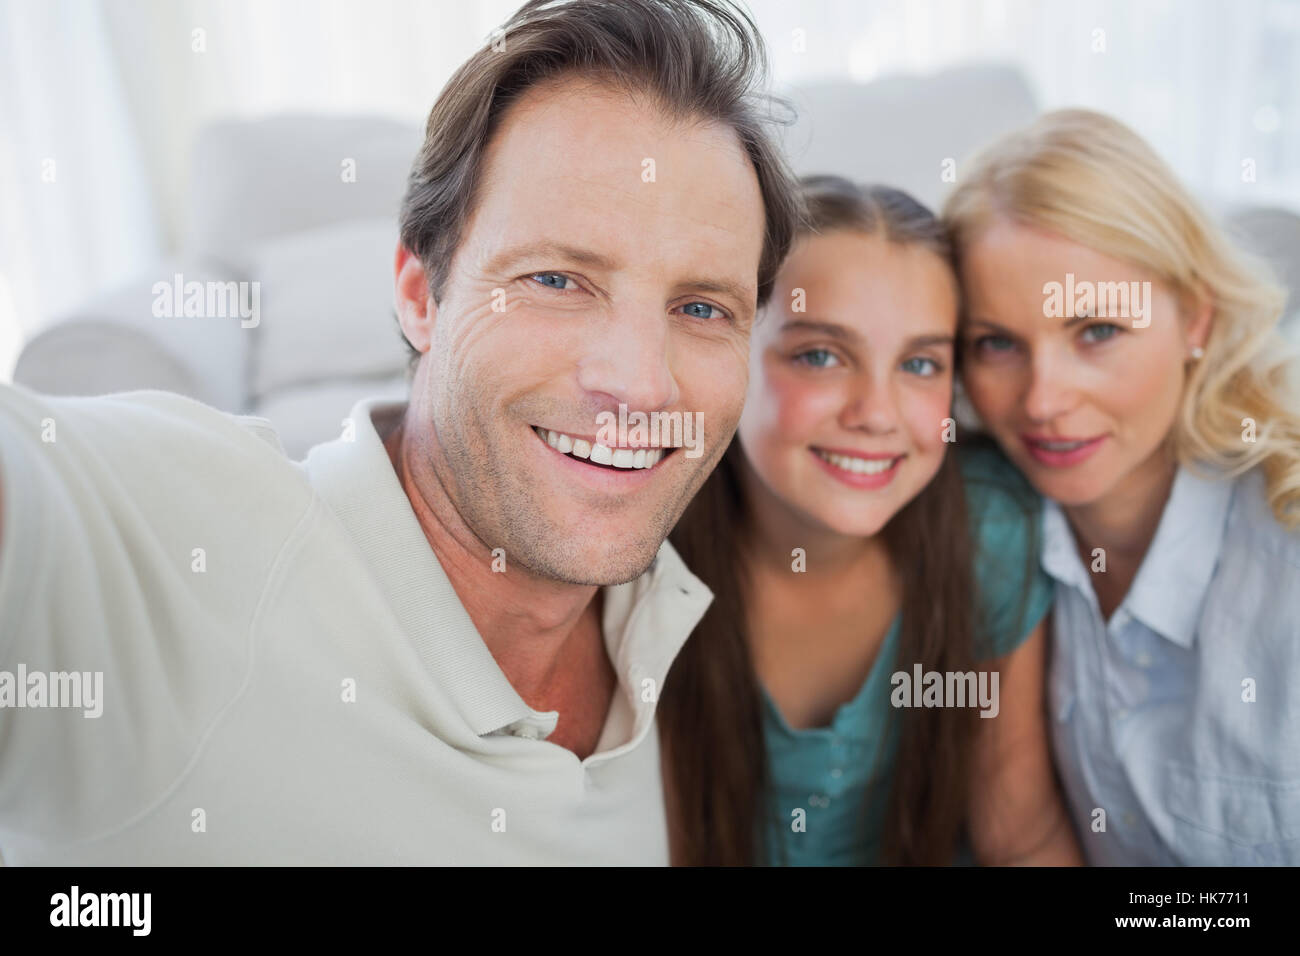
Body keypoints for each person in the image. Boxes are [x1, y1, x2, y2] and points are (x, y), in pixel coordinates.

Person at [0, 0, 803, 864]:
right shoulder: (190, 546)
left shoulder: (688, 622)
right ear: (421, 297)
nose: (641, 384)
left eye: (699, 307)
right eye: (556, 280)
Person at [660, 176, 1083, 865]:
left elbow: (1023, 837)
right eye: (821, 355)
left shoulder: (989, 529)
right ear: (730, 353)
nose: (877, 413)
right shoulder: (646, 542)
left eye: (919, 364)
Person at [945, 108, 1300, 865]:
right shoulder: (986, 520)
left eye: (1096, 332)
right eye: (997, 343)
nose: (1042, 401)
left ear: (1195, 318)